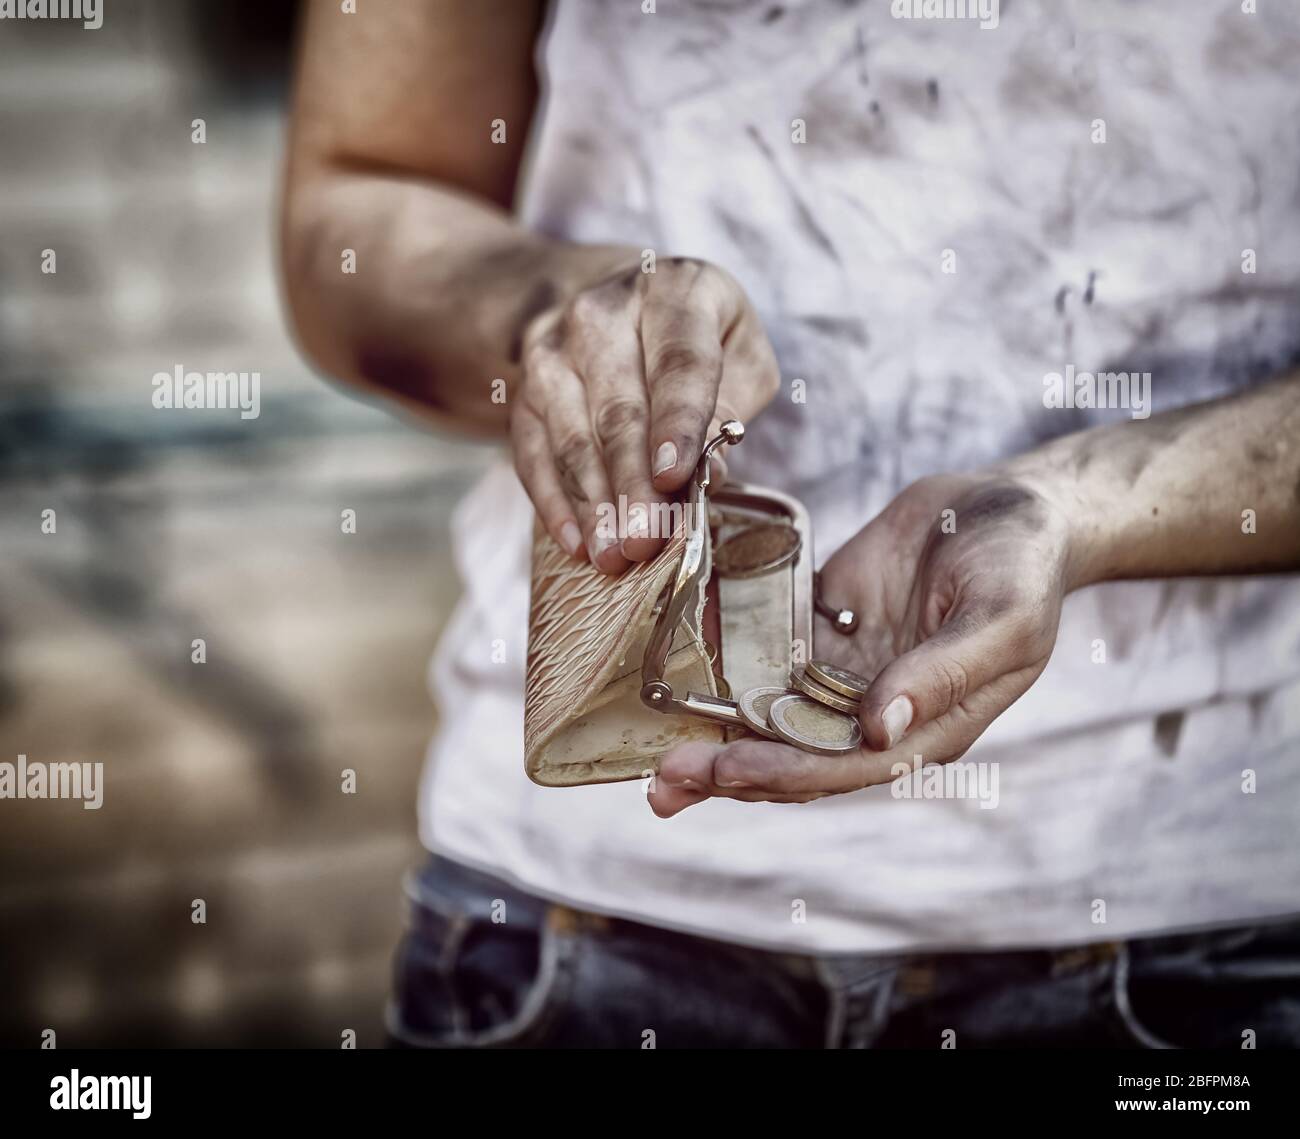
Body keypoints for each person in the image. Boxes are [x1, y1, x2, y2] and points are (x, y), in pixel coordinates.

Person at [281, 0, 1300, 1047]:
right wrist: (556, 316)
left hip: (1190, 913)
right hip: (580, 900)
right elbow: (359, 194)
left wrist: (1083, 510)